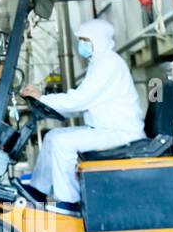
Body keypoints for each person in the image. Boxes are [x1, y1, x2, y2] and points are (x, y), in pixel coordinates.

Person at [19, 18, 144, 212]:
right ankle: (38, 190)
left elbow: (80, 100)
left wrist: (43, 98)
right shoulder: (99, 62)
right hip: (105, 128)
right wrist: (44, 101)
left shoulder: (108, 63)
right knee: (53, 137)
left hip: (121, 132)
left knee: (63, 143)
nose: (81, 45)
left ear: (98, 39)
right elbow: (81, 101)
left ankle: (69, 202)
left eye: (86, 40)